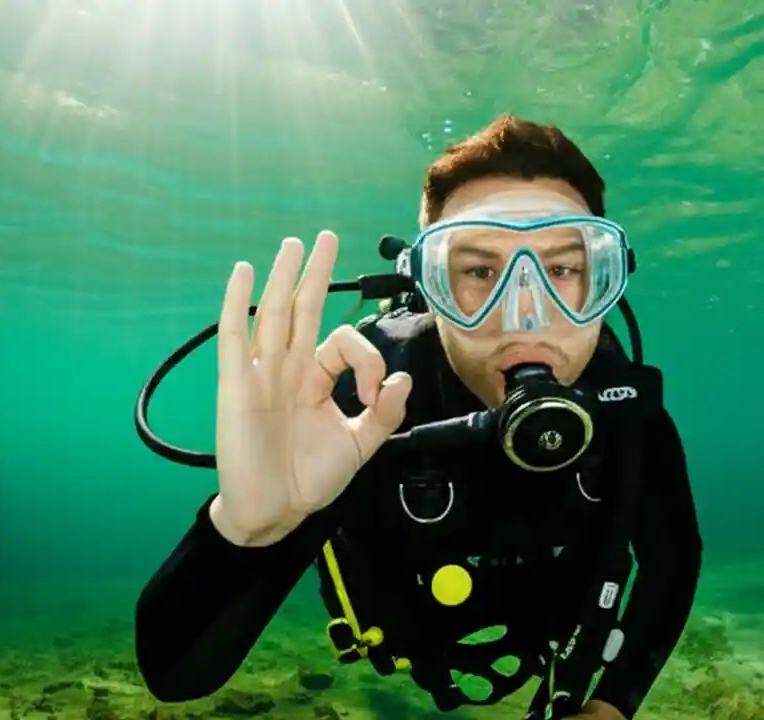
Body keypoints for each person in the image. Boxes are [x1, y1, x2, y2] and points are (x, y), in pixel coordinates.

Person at [132, 114, 703, 720]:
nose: (526, 315)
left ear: (604, 281)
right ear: (430, 288)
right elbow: (175, 675)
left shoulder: (626, 413)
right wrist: (242, 533)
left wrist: (612, 706)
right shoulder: (363, 407)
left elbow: (673, 563)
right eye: (480, 272)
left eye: (563, 270)